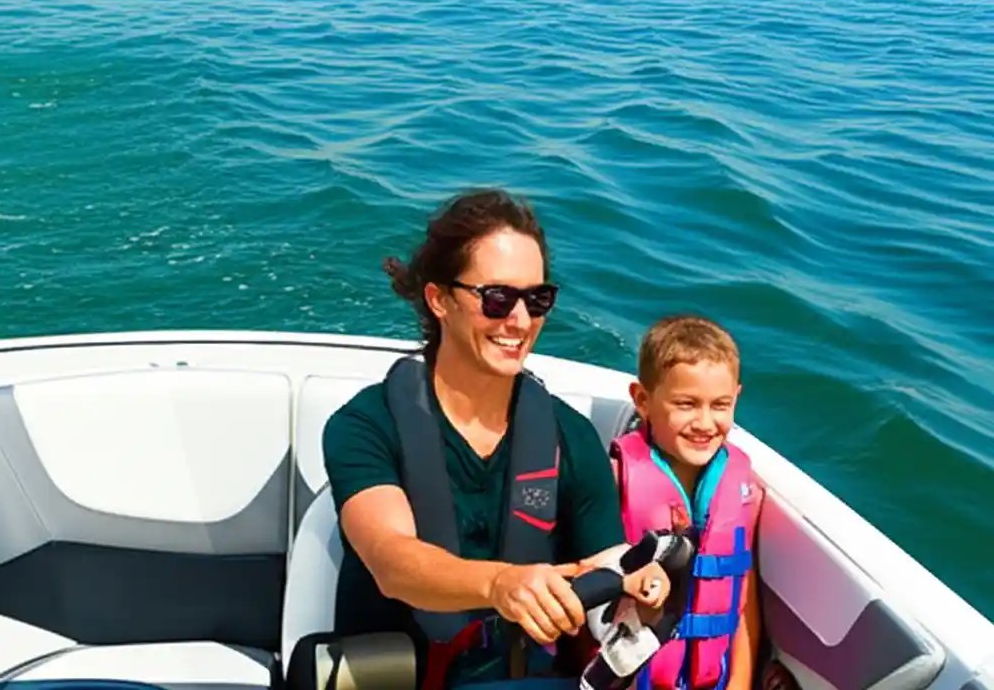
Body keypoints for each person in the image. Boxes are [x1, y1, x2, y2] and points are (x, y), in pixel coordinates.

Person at [322, 189, 670, 689]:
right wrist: (498, 583)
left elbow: (603, 564)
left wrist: (637, 591)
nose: (521, 321)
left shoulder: (569, 438)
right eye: (498, 298)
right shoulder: (365, 426)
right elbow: (392, 560)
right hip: (390, 678)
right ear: (439, 299)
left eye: (538, 299)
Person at [609, 315, 763, 690]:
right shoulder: (616, 478)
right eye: (687, 404)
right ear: (642, 400)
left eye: (720, 405)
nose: (705, 423)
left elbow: (742, 605)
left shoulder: (743, 486)